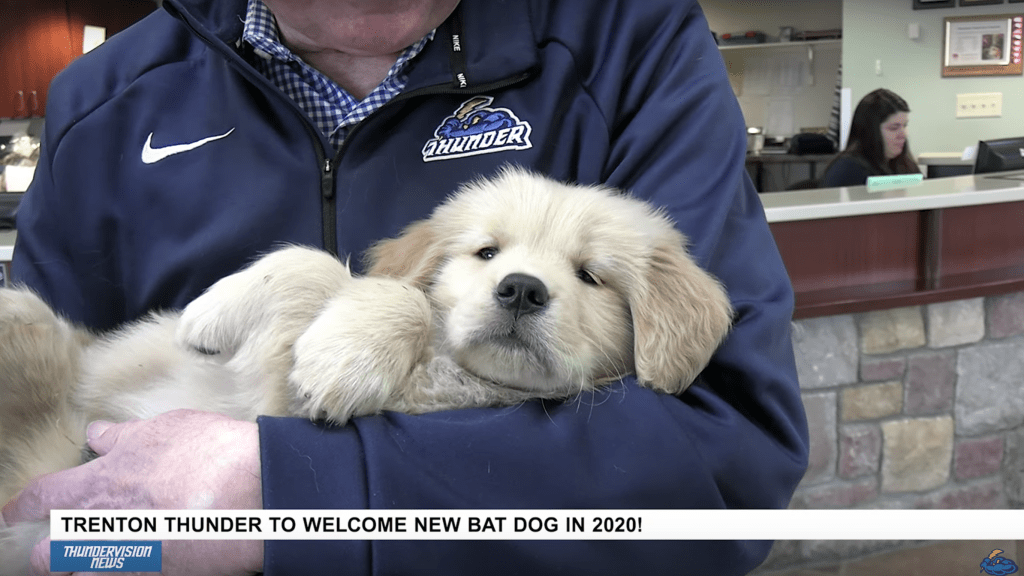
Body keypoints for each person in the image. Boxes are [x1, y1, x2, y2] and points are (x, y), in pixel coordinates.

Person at [3, 0, 809, 574]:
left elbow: (725, 455)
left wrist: (294, 493)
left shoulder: (634, 44)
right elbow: (52, 451)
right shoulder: (101, 100)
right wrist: (86, 544)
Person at [819, 88, 921, 188]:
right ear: (871, 131)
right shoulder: (847, 169)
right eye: (893, 128)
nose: (903, 134)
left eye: (905, 125)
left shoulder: (904, 164)